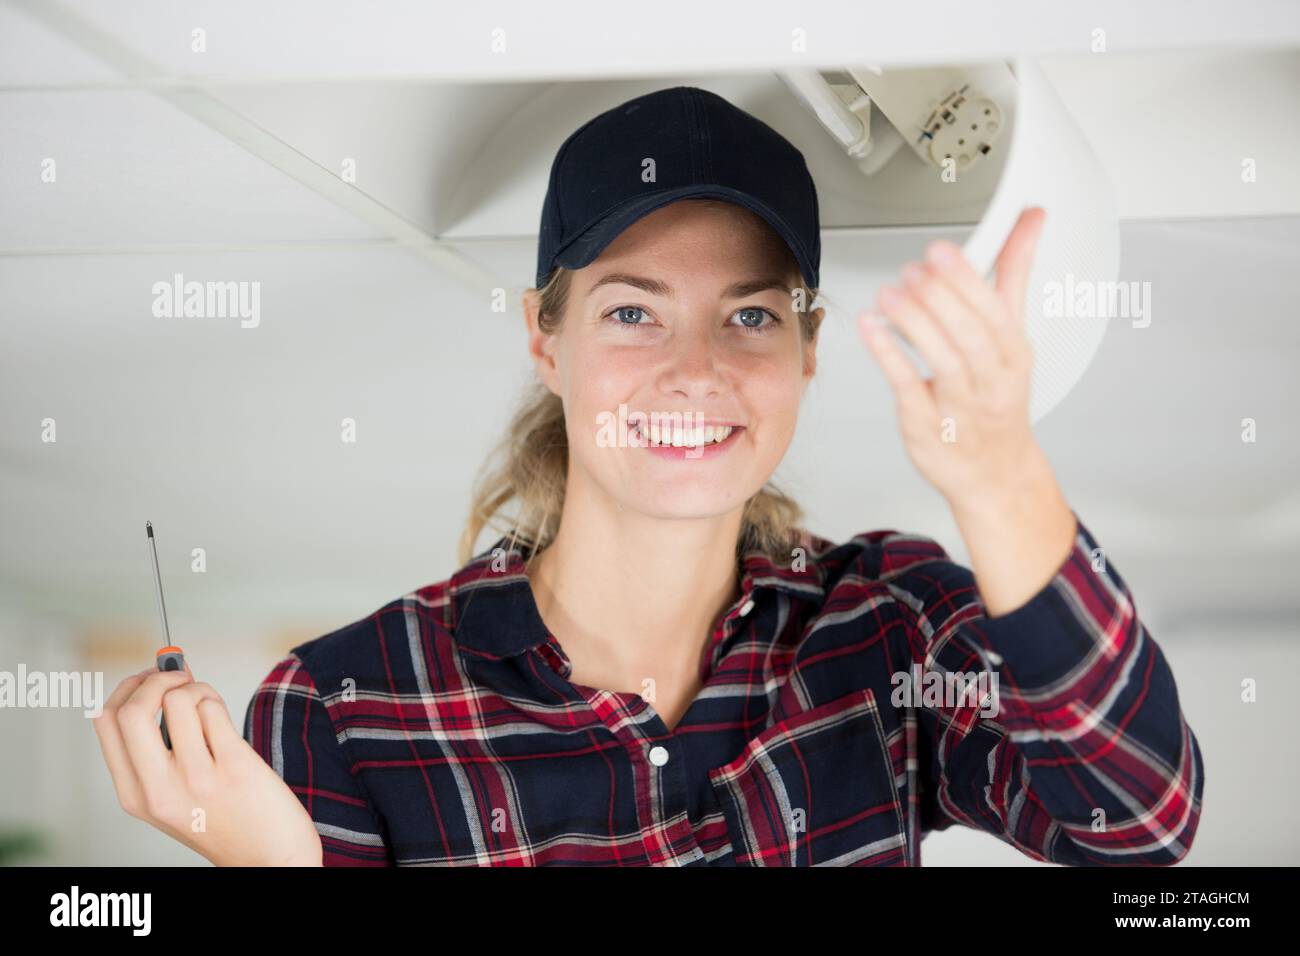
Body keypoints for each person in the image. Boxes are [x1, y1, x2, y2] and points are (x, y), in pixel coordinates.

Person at [94, 85, 1204, 866]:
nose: (695, 370)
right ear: (544, 333)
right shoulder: (343, 707)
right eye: (632, 310)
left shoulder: (890, 626)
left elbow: (1138, 820)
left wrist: (1000, 474)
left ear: (808, 347)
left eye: (751, 314)